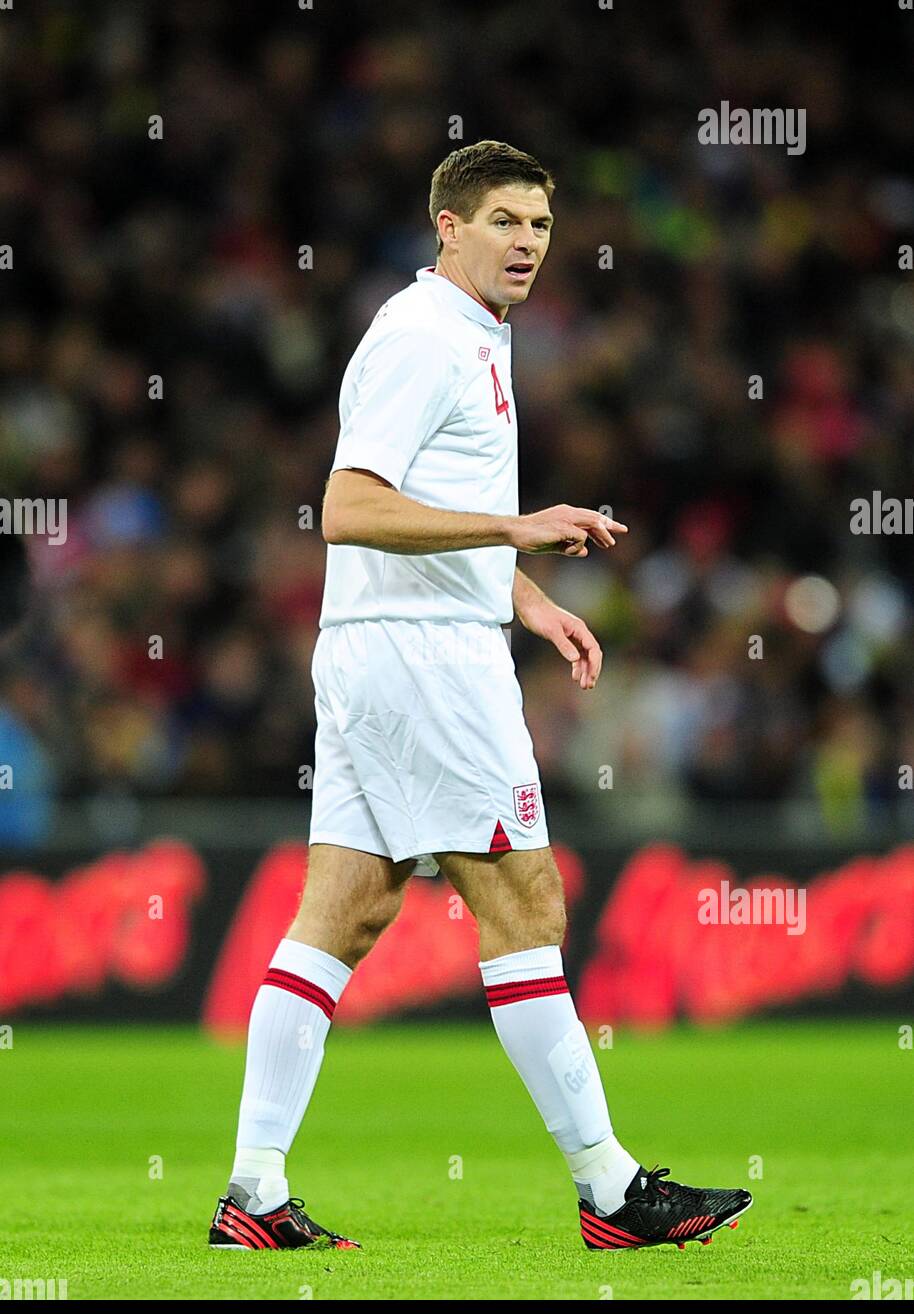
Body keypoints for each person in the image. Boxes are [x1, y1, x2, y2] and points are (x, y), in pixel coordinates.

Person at [209, 140, 751, 1253]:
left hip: (389, 645)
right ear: (446, 226)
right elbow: (351, 508)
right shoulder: (422, 339)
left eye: (540, 227)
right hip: (422, 659)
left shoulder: (465, 338)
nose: (526, 245)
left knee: (341, 916)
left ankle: (251, 1195)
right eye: (503, 221)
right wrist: (512, 527)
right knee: (525, 905)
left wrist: (526, 599)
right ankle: (609, 1192)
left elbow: (424, 508)